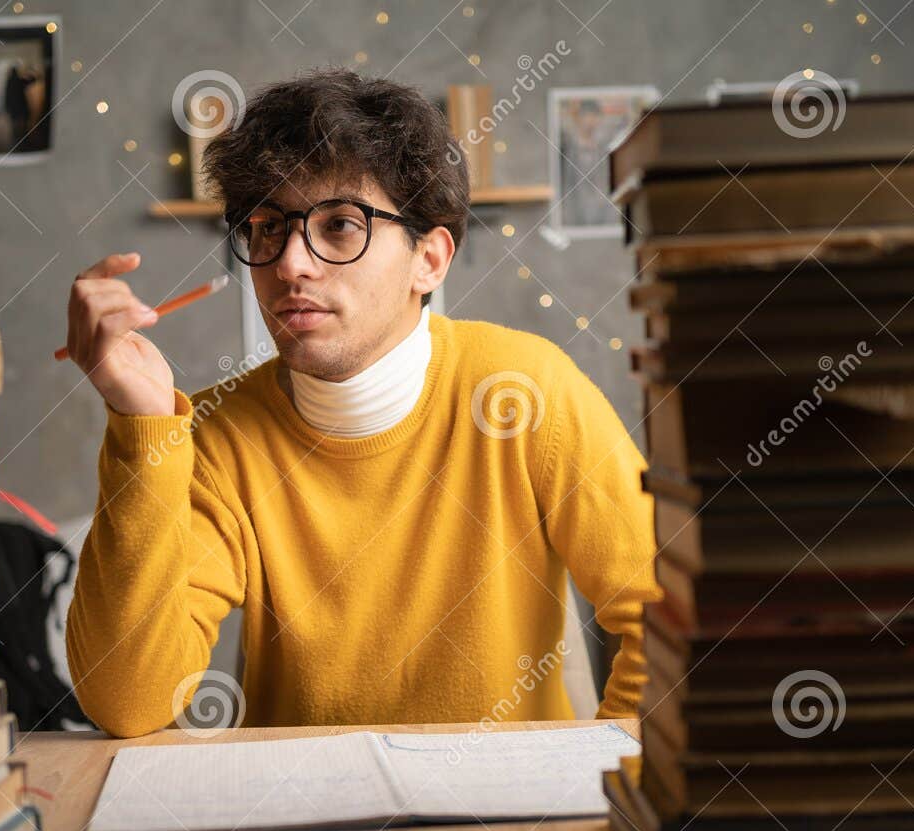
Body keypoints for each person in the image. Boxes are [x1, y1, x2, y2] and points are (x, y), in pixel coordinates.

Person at [63, 68, 659, 737]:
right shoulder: (211, 435)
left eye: (341, 225)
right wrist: (143, 427)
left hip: (510, 828)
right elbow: (127, 702)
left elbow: (670, 617)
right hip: (296, 826)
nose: (289, 264)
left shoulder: (527, 390)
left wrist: (605, 779)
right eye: (267, 228)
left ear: (428, 260)